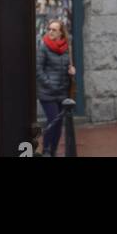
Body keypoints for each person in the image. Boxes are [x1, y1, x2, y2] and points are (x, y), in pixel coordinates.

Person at [36, 19, 74, 157]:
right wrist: (49, 83)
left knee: (59, 123)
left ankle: (53, 150)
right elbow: (38, 70)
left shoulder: (66, 48)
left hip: (62, 92)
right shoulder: (43, 46)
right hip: (47, 92)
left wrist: (71, 71)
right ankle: (46, 149)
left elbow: (68, 67)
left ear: (61, 33)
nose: (50, 32)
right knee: (52, 119)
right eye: (49, 29)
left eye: (54, 30)